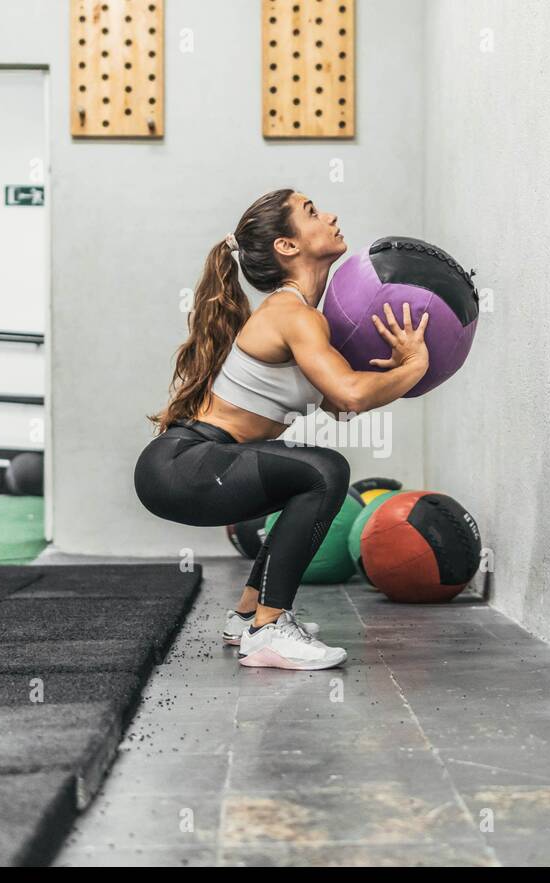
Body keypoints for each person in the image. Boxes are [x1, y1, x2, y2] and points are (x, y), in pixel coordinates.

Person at [134, 188, 429, 670]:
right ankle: (270, 630)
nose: (330, 215)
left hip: (194, 464)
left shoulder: (303, 318)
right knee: (323, 471)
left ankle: (249, 614)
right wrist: (414, 368)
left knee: (304, 475)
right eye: (312, 212)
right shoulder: (291, 314)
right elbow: (352, 395)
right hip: (184, 464)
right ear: (287, 246)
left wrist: (393, 370)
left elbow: (339, 405)